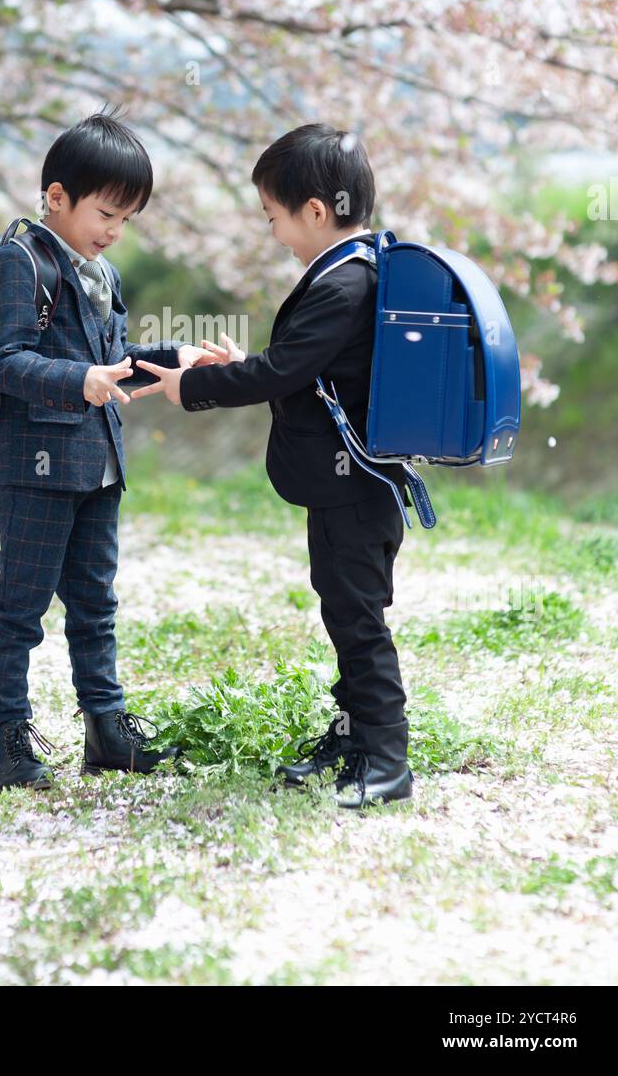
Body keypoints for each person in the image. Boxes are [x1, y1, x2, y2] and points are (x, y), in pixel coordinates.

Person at [132, 124, 414, 809]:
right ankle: (350, 738)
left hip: (354, 487)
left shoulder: (343, 283)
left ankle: (386, 760)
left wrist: (192, 387)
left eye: (274, 219)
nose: (274, 234)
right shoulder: (360, 270)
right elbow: (313, 375)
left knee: (357, 622)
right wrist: (240, 368)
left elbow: (285, 369)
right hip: (351, 484)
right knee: (346, 610)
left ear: (316, 211)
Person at [0, 107, 215, 791]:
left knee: (95, 603)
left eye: (126, 219)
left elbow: (111, 362)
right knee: (21, 608)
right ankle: (7, 738)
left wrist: (176, 357)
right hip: (38, 468)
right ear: (56, 197)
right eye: (105, 213)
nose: (114, 231)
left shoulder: (102, 275)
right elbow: (6, 364)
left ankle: (106, 729)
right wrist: (78, 380)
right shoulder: (23, 262)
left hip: (101, 463)